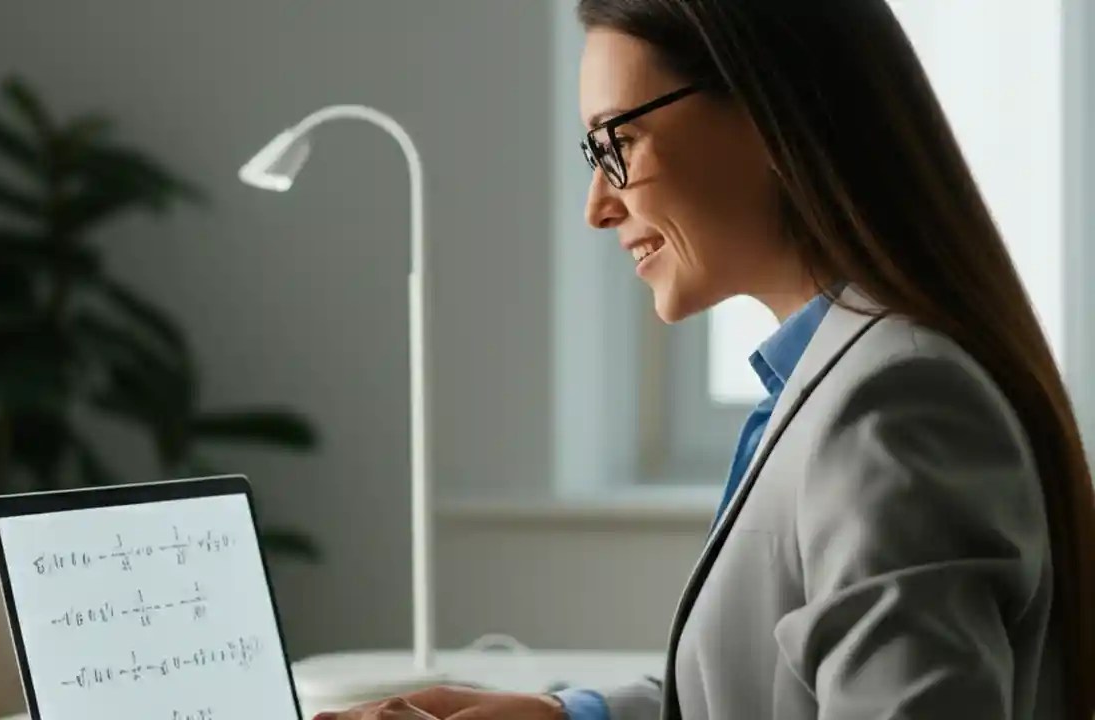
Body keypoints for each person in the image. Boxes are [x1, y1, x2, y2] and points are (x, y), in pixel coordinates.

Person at [316, 0, 1095, 718]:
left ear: (768, 110)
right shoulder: (841, 382)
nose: (598, 205)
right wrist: (567, 717)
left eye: (617, 141)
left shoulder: (893, 404)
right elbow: (769, 689)